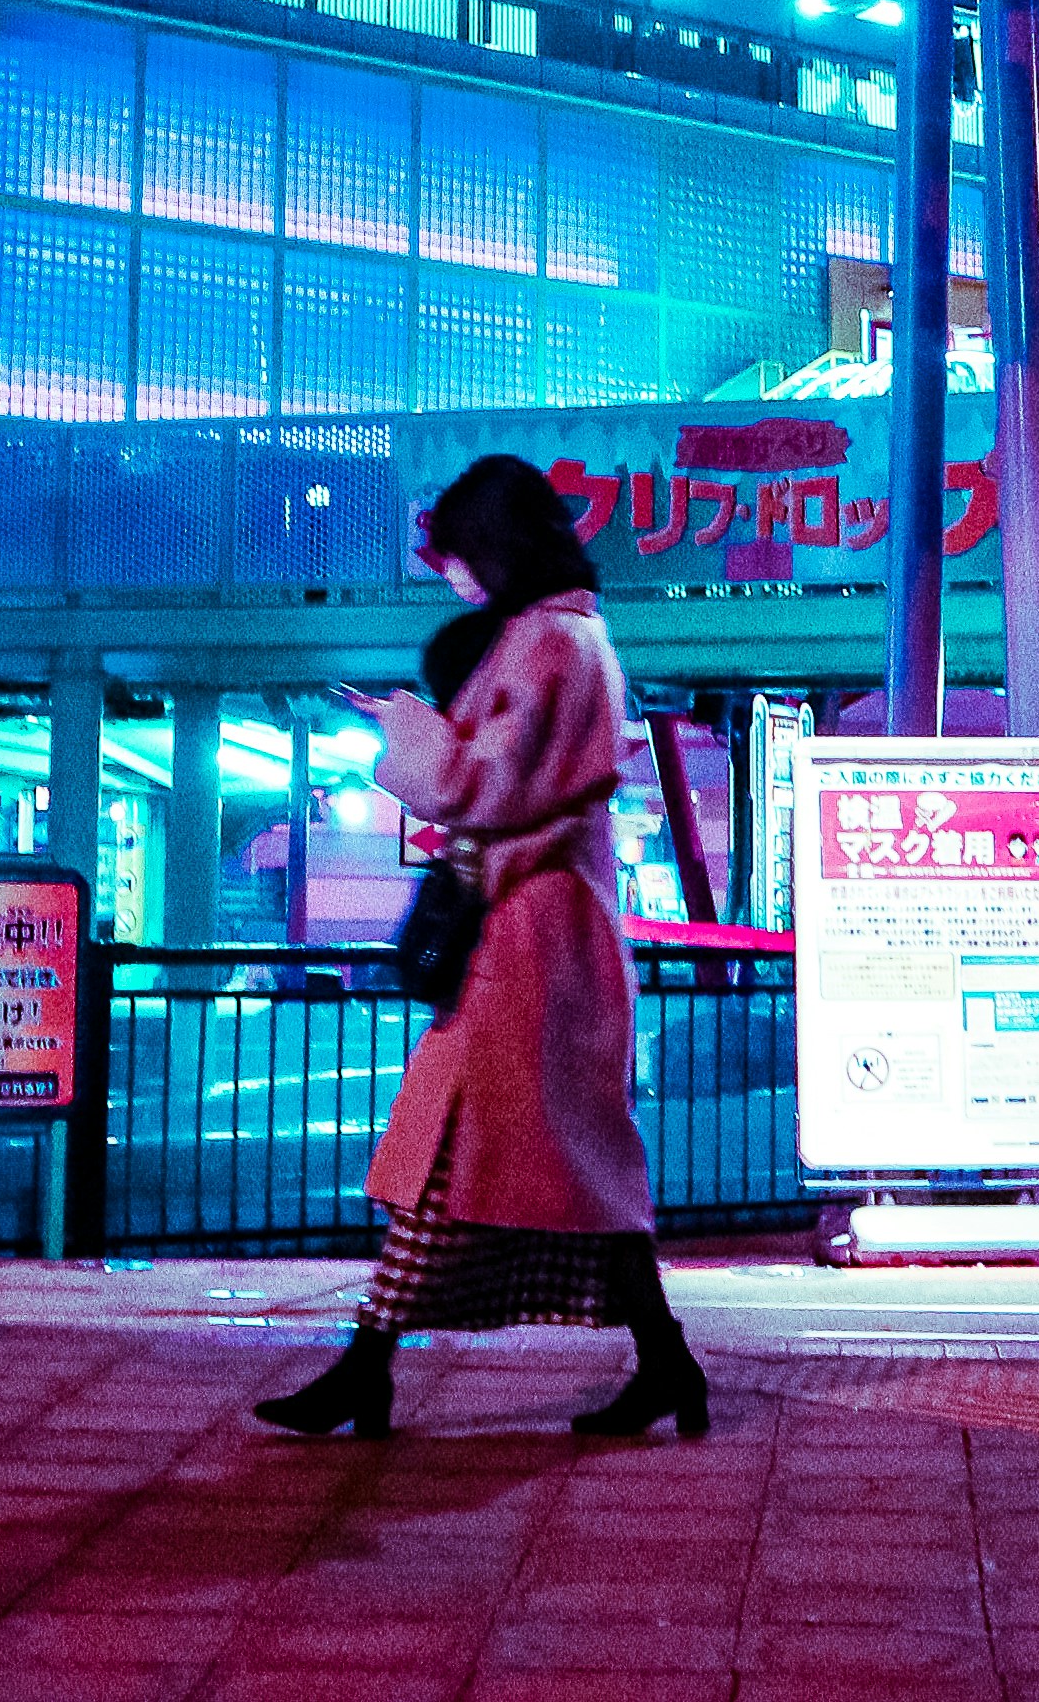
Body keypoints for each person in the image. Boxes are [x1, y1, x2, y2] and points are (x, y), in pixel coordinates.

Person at [251, 456, 701, 1444]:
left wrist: (405, 727)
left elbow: (483, 788)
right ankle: (660, 1360)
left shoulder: (548, 643)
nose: (453, 574)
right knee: (571, 1161)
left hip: (530, 935)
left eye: (457, 553)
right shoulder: (569, 636)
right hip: (546, 930)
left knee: (461, 1153)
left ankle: (368, 1367)